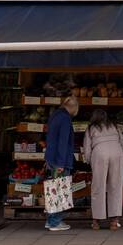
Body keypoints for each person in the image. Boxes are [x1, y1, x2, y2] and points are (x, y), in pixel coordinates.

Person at [81, 107, 123, 230]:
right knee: (115, 185)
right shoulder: (114, 126)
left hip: (100, 153)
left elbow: (87, 148)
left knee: (98, 186)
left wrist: (90, 161)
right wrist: (122, 156)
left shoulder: (91, 128)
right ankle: (114, 221)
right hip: (117, 152)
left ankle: (96, 221)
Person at [43, 94, 78, 232]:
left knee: (53, 190)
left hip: (51, 157)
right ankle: (55, 222)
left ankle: (50, 220)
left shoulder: (55, 115)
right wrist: (61, 163)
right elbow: (63, 142)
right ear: (74, 108)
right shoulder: (65, 119)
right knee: (60, 190)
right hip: (59, 159)